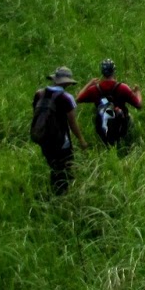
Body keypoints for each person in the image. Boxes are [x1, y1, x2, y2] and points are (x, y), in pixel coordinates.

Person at [31, 66, 86, 194]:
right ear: (67, 82)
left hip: (43, 137)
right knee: (65, 169)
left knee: (53, 166)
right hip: (61, 140)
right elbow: (72, 123)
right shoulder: (66, 98)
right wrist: (81, 140)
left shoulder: (39, 93)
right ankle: (60, 195)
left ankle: (54, 191)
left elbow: (36, 114)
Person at [75, 59, 143, 147]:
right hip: (121, 126)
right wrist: (137, 92)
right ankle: (127, 142)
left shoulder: (95, 89)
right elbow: (139, 105)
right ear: (114, 71)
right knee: (130, 118)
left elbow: (78, 99)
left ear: (102, 72)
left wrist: (90, 83)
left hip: (101, 126)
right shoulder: (123, 88)